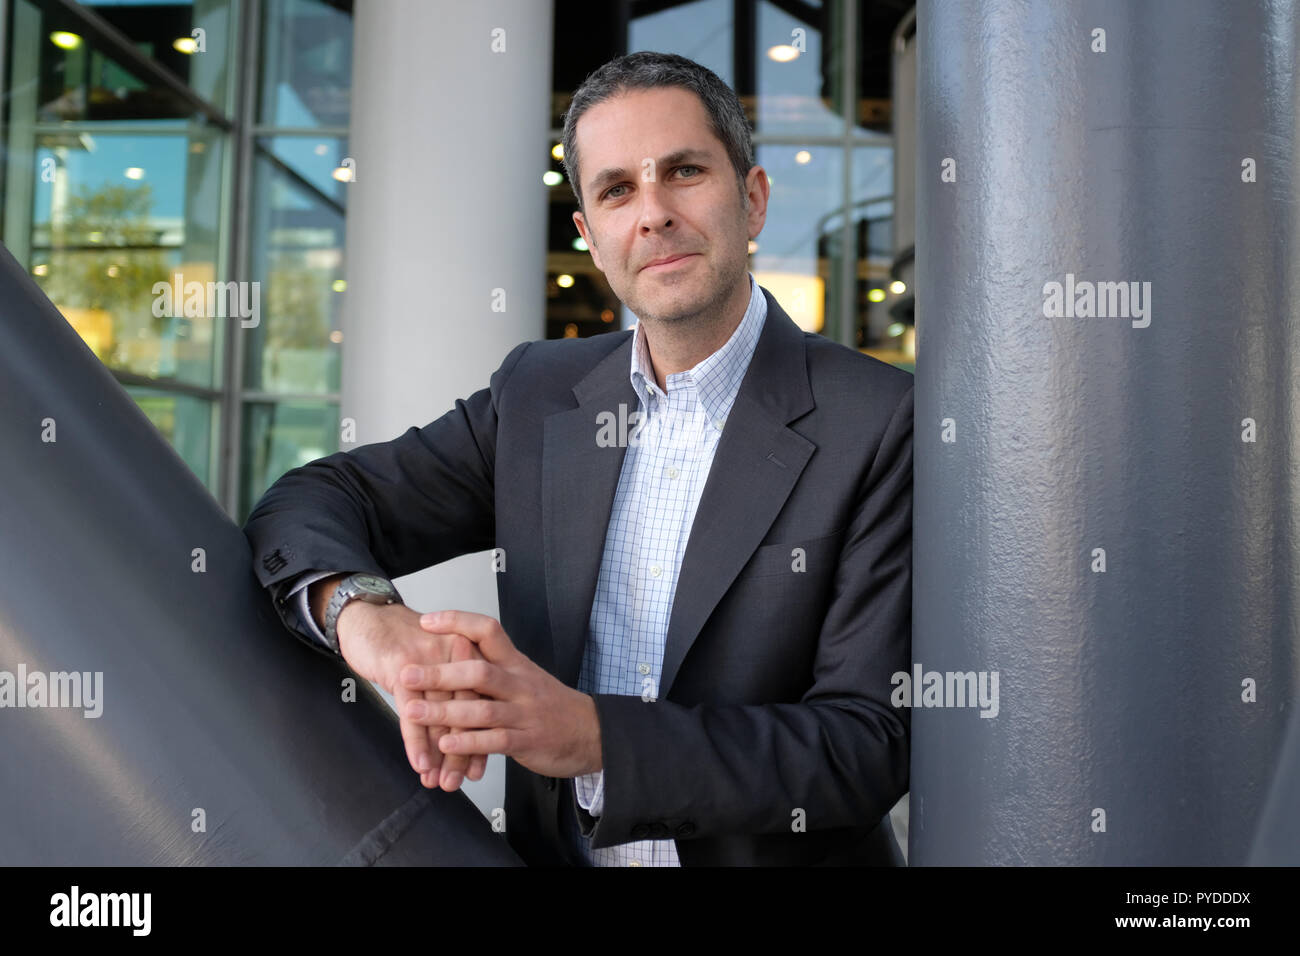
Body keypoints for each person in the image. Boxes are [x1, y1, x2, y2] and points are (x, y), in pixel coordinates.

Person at [243, 50, 913, 867]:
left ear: (754, 199)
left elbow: (865, 745)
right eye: (617, 190)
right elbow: (316, 499)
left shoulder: (879, 419)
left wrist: (592, 739)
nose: (653, 214)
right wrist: (370, 620)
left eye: (684, 171)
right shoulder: (537, 395)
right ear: (591, 238)